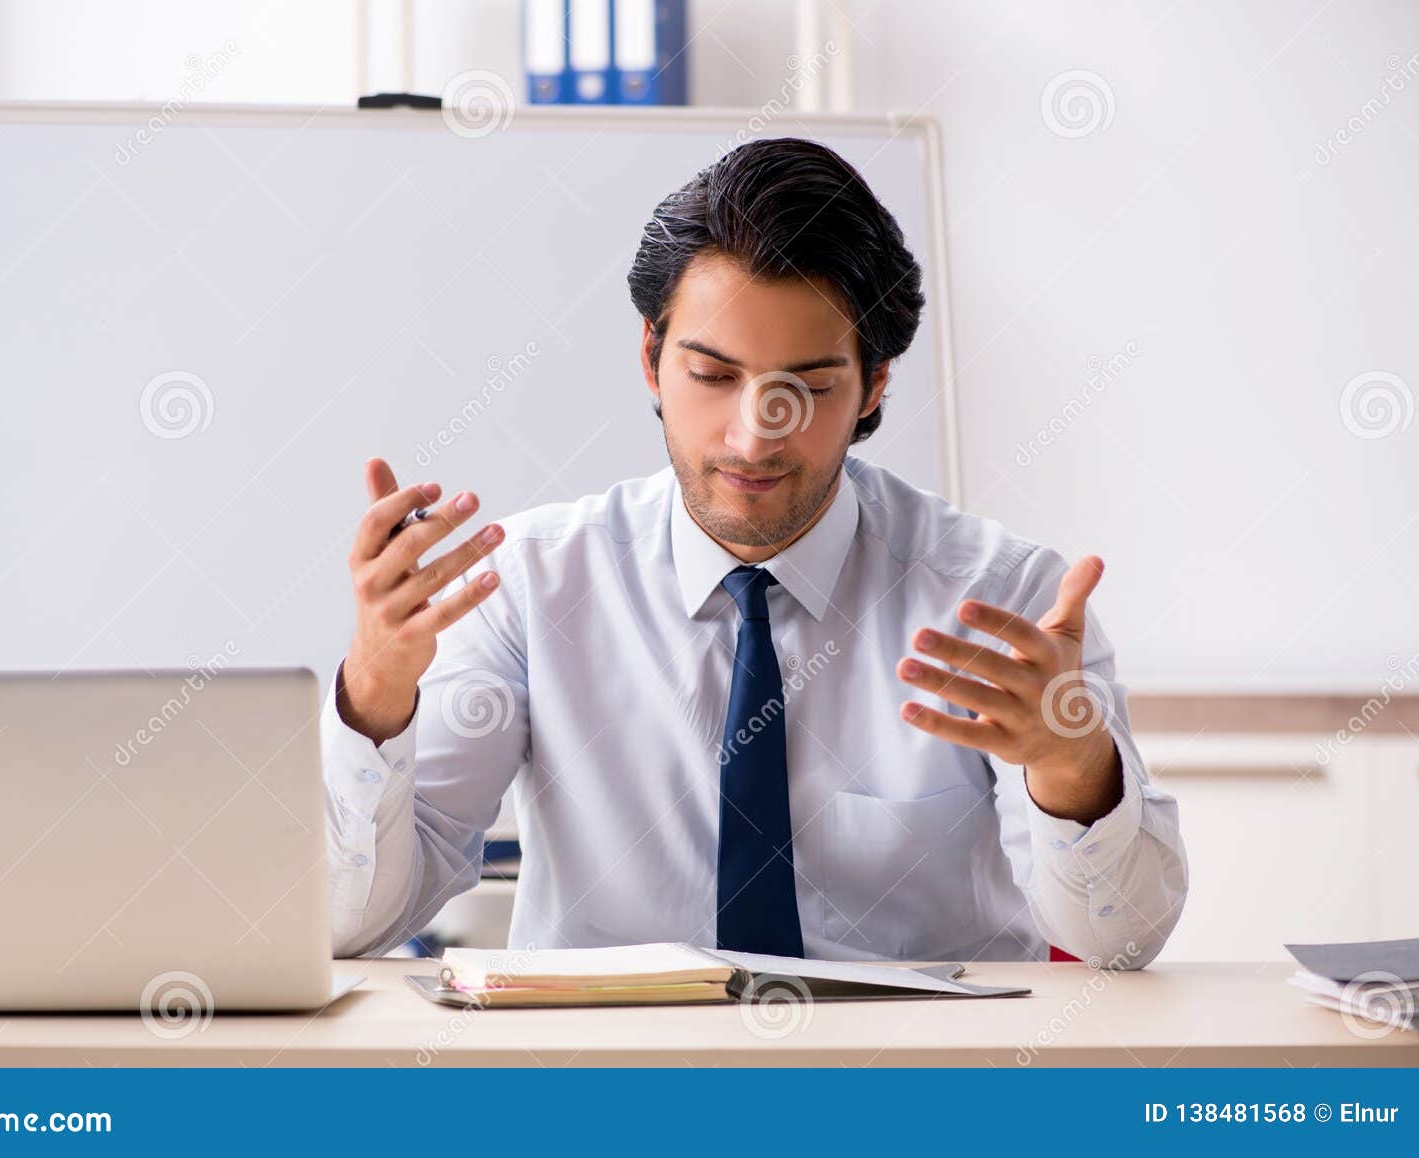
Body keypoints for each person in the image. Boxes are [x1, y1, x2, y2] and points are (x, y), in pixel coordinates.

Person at [322, 137, 1186, 966]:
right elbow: (350, 926)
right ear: (652, 357)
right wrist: (376, 689)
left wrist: (1072, 763)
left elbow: (1126, 944)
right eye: (712, 376)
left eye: (807, 387)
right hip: (617, 1080)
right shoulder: (531, 588)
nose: (753, 434)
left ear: (874, 385)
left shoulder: (1004, 596)